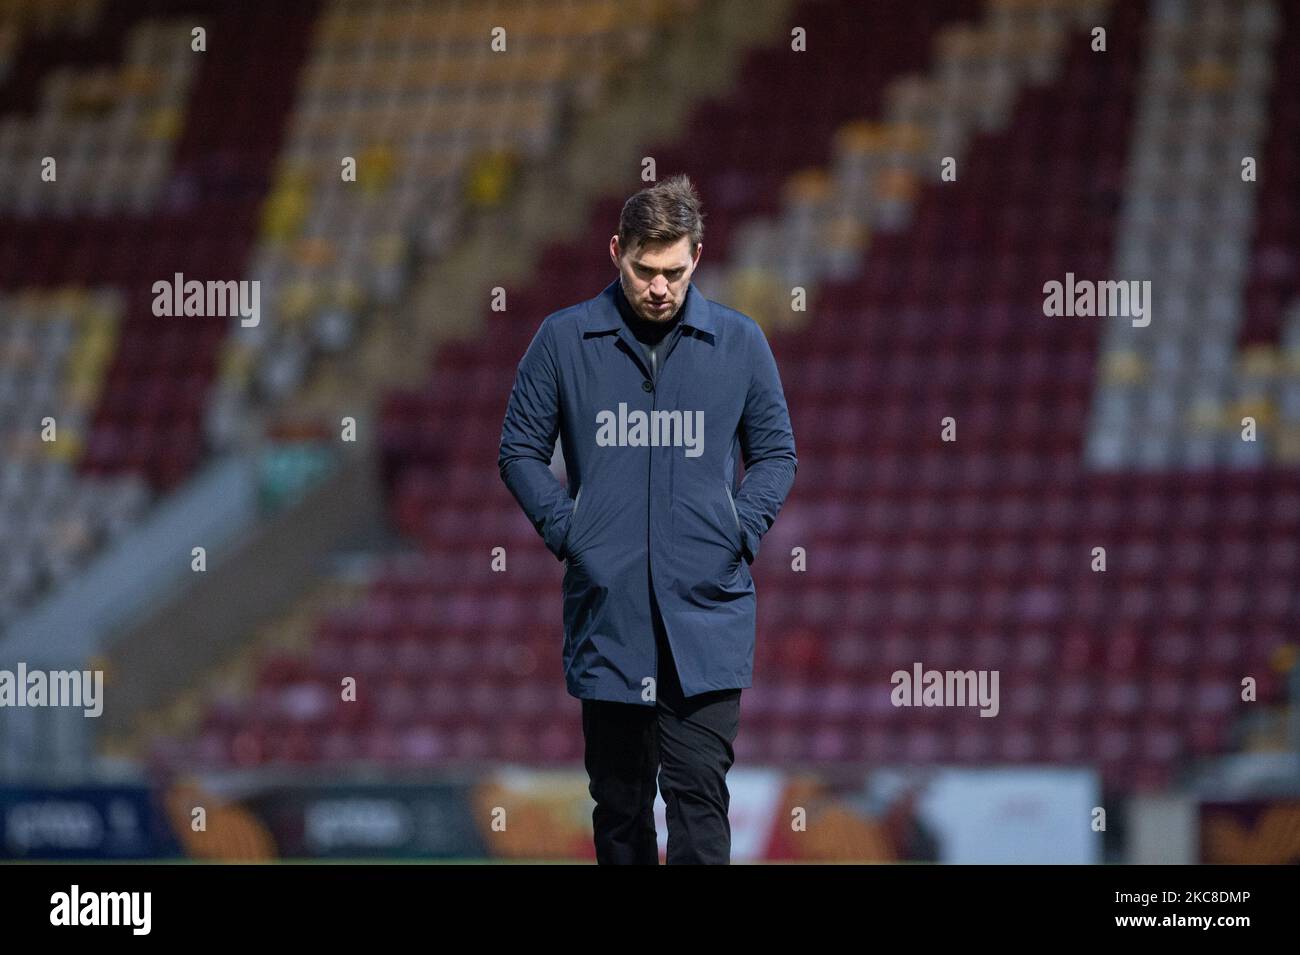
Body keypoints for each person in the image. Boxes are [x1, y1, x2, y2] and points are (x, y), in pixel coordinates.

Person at [498, 174, 797, 863]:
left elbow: (777, 454)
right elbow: (517, 449)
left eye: (674, 270)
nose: (659, 286)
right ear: (615, 252)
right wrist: (572, 534)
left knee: (699, 803)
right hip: (610, 616)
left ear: (697, 256)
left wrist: (739, 531)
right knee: (621, 808)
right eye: (644, 269)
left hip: (709, 615)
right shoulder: (563, 340)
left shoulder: (741, 343)